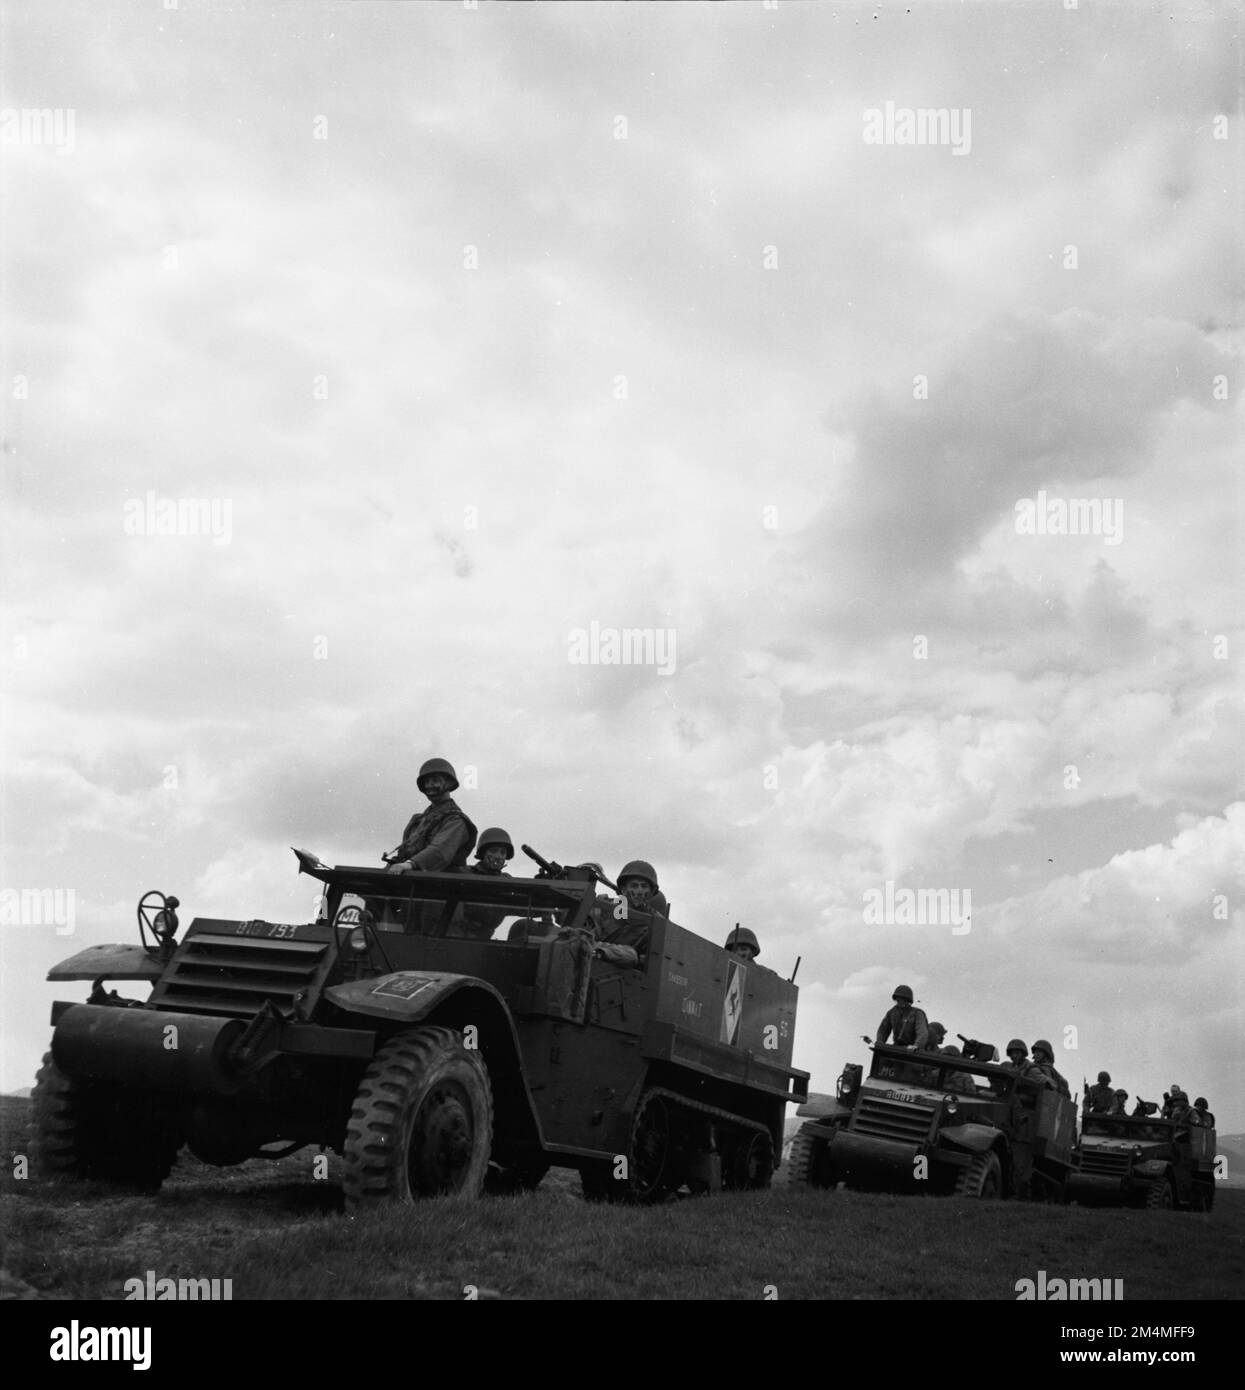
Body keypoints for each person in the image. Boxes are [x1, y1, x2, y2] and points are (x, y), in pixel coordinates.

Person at [383, 758, 477, 874]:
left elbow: (439, 851)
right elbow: (405, 853)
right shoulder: (418, 820)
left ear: (449, 783)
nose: (429, 785)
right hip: (412, 880)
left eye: (435, 781)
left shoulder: (455, 821)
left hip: (440, 885)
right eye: (426, 782)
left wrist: (411, 864)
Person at [590, 859, 662, 968]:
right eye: (634, 885)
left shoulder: (656, 921)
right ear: (623, 889)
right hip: (594, 952)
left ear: (651, 892)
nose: (639, 891)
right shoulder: (605, 907)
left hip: (623, 965)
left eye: (644, 886)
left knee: (630, 955)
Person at [452, 827, 514, 941]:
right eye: (494, 850)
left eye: (502, 852)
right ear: (483, 853)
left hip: (482, 944)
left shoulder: (506, 883)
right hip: (455, 939)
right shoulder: (465, 874)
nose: (498, 856)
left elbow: (527, 906)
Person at [875, 985, 929, 1050]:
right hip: (897, 1047)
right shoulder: (892, 1012)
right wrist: (880, 1042)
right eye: (898, 999)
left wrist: (917, 1045)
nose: (900, 1002)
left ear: (908, 1000)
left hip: (913, 1050)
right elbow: (883, 1030)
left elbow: (922, 1032)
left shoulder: (917, 1013)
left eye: (903, 1000)